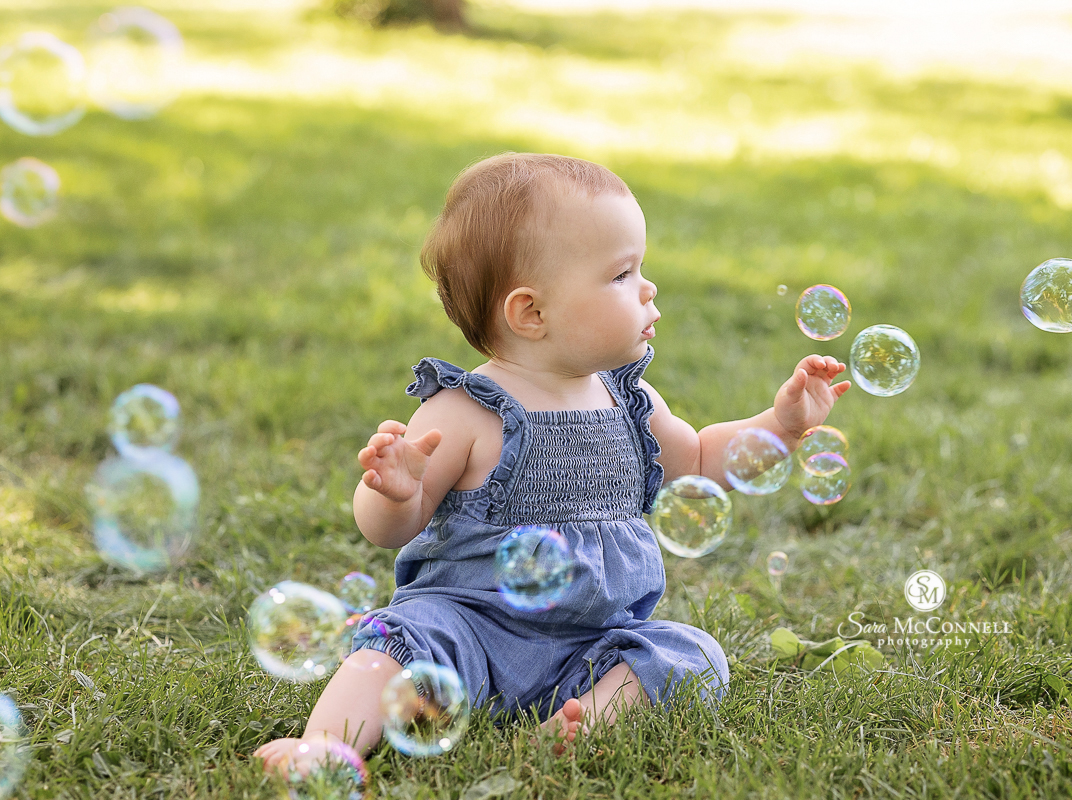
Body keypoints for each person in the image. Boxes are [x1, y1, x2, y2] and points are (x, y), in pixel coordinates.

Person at [255, 152, 850, 774]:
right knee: (395, 646)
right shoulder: (463, 410)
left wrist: (780, 426)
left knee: (691, 654)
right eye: (622, 274)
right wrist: (396, 492)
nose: (647, 288)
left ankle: (578, 721)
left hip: (590, 642)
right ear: (531, 313)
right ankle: (324, 745)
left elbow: (699, 460)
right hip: (468, 632)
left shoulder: (632, 399)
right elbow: (386, 530)